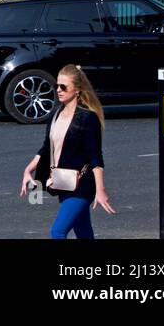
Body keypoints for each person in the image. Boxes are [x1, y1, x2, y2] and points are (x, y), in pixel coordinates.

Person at [19, 64, 116, 238]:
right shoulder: (55, 115)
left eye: (63, 87)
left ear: (77, 90)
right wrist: (28, 170)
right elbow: (46, 147)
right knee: (83, 230)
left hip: (81, 185)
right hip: (63, 182)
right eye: (57, 85)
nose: (58, 90)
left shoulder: (87, 117)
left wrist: (100, 190)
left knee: (58, 231)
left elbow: (95, 158)